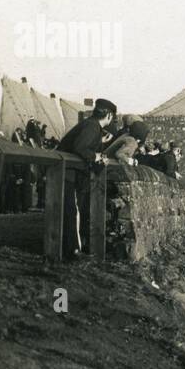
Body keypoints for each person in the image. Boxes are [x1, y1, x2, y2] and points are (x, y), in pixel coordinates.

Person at [57, 99, 116, 258]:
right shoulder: (92, 126)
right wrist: (96, 155)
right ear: (109, 115)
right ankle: (73, 250)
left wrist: (99, 147)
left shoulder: (91, 126)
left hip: (69, 173)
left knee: (71, 211)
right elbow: (80, 147)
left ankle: (71, 249)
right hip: (69, 174)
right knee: (73, 212)